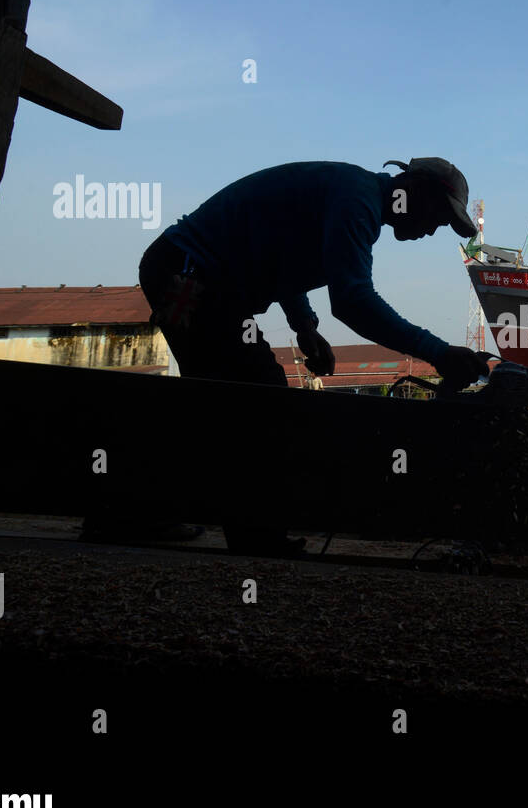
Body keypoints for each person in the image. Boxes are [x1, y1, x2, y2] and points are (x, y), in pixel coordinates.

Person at [137, 158, 492, 556]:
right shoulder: (358, 203)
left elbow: (285, 254)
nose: (431, 229)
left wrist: (304, 326)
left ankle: (135, 514)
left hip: (190, 271)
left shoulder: (355, 196)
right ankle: (254, 539)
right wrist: (439, 353)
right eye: (437, 217)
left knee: (219, 400)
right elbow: (353, 301)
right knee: (255, 398)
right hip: (187, 272)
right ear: (414, 188)